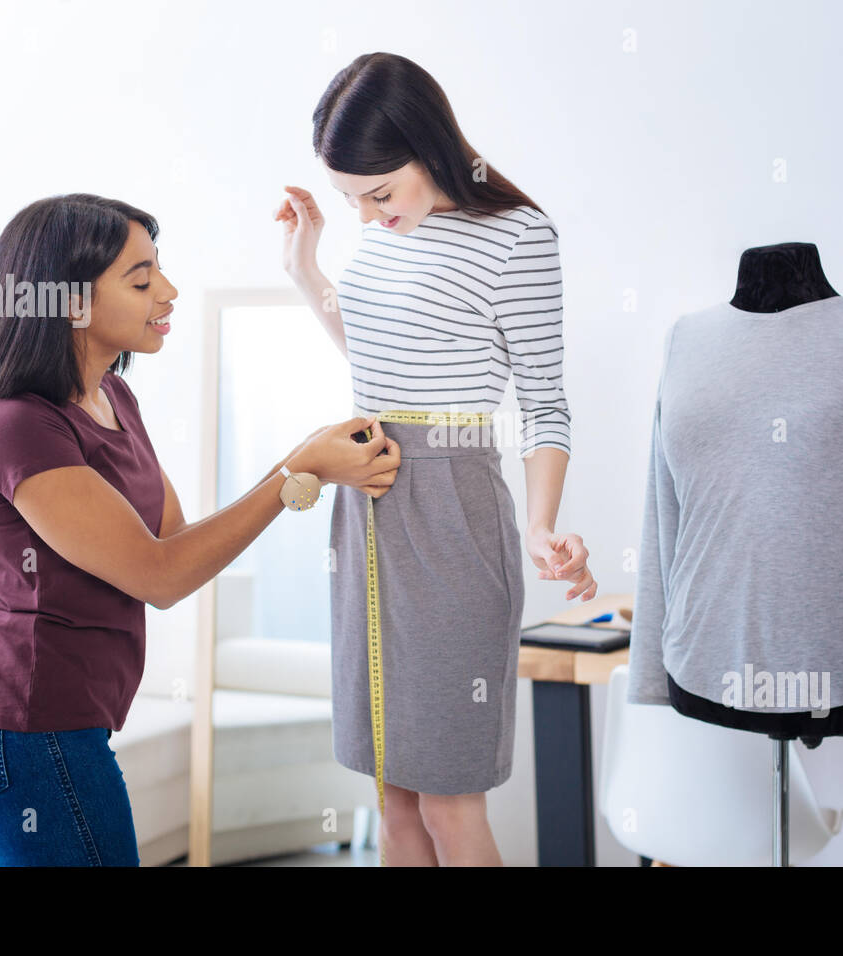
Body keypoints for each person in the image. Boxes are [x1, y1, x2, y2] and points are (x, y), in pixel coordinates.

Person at [0, 193, 401, 866]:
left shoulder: (112, 398)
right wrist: (298, 469)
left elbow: (178, 540)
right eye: (141, 278)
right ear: (70, 303)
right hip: (25, 732)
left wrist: (304, 468)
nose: (169, 290)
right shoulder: (17, 424)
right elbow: (159, 577)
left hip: (61, 726)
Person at [276, 52, 598, 866]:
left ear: (429, 145)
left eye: (381, 193)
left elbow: (544, 399)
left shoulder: (518, 236)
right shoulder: (379, 239)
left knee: (452, 803)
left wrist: (543, 523)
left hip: (455, 506)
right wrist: (305, 271)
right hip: (366, 496)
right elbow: (380, 362)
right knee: (394, 802)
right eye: (353, 201)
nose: (371, 214)